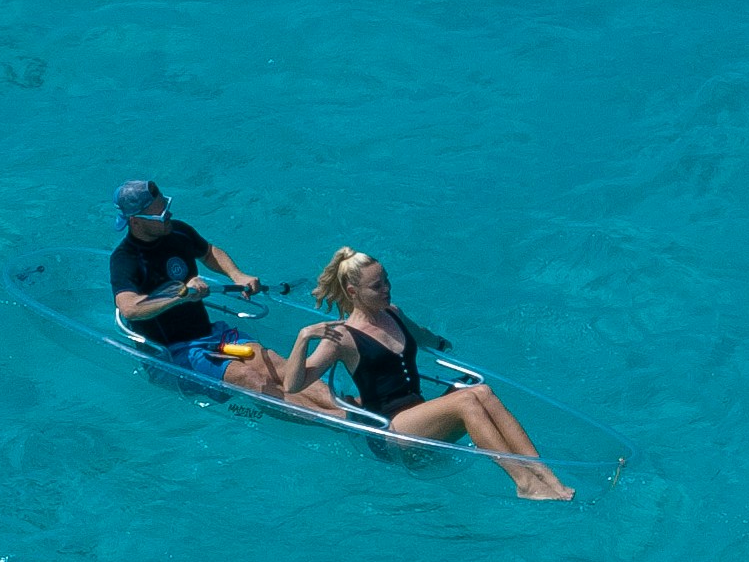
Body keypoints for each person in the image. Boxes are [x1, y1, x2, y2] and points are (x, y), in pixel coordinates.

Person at [274, 248, 574, 502]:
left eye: (387, 281)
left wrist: (442, 343)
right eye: (377, 286)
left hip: (419, 415)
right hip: (391, 432)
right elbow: (293, 384)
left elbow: (420, 335)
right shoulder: (341, 337)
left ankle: (546, 476)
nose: (386, 289)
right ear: (353, 292)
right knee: (467, 401)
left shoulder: (393, 313)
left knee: (481, 390)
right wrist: (303, 338)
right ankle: (524, 483)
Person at [107, 181, 262, 372]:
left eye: (167, 207)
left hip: (211, 337)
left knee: (270, 362)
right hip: (173, 355)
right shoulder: (124, 259)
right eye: (161, 214)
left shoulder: (179, 231)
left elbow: (208, 253)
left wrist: (237, 275)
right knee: (249, 376)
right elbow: (129, 308)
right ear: (135, 221)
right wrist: (181, 294)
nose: (169, 215)